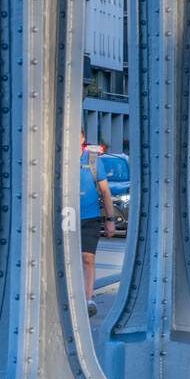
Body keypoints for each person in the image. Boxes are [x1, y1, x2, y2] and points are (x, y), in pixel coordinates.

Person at [79, 133, 115, 317]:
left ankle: (87, 300)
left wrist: (110, 220)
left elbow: (105, 191)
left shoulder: (92, 160)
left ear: (82, 138)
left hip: (90, 216)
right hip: (64, 216)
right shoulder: (58, 158)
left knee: (87, 257)